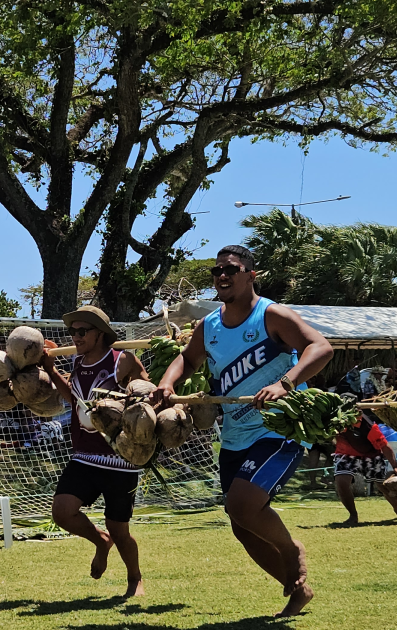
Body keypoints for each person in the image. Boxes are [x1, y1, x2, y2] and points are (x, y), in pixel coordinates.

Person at [152, 245, 331, 617]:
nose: (221, 276)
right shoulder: (210, 326)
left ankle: (292, 550)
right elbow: (186, 359)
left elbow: (321, 347)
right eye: (216, 270)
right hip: (234, 436)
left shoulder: (271, 315)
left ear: (251, 274)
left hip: (280, 428)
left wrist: (286, 383)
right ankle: (297, 589)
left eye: (231, 269)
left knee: (241, 505)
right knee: (242, 526)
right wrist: (168, 384)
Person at [41, 304, 151, 598]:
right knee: (62, 512)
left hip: (119, 461)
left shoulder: (122, 360)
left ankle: (134, 578)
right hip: (84, 456)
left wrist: (135, 398)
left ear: (100, 333)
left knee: (120, 530)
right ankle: (100, 542)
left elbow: (148, 393)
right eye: (72, 331)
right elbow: (73, 398)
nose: (75, 337)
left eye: (81, 331)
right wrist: (51, 369)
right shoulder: (77, 362)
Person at [332, 414, 397, 525]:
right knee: (341, 482)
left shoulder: (369, 426)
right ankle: (353, 515)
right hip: (345, 453)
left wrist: (395, 466)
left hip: (370, 455)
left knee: (383, 485)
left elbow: (384, 446)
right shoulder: (334, 422)